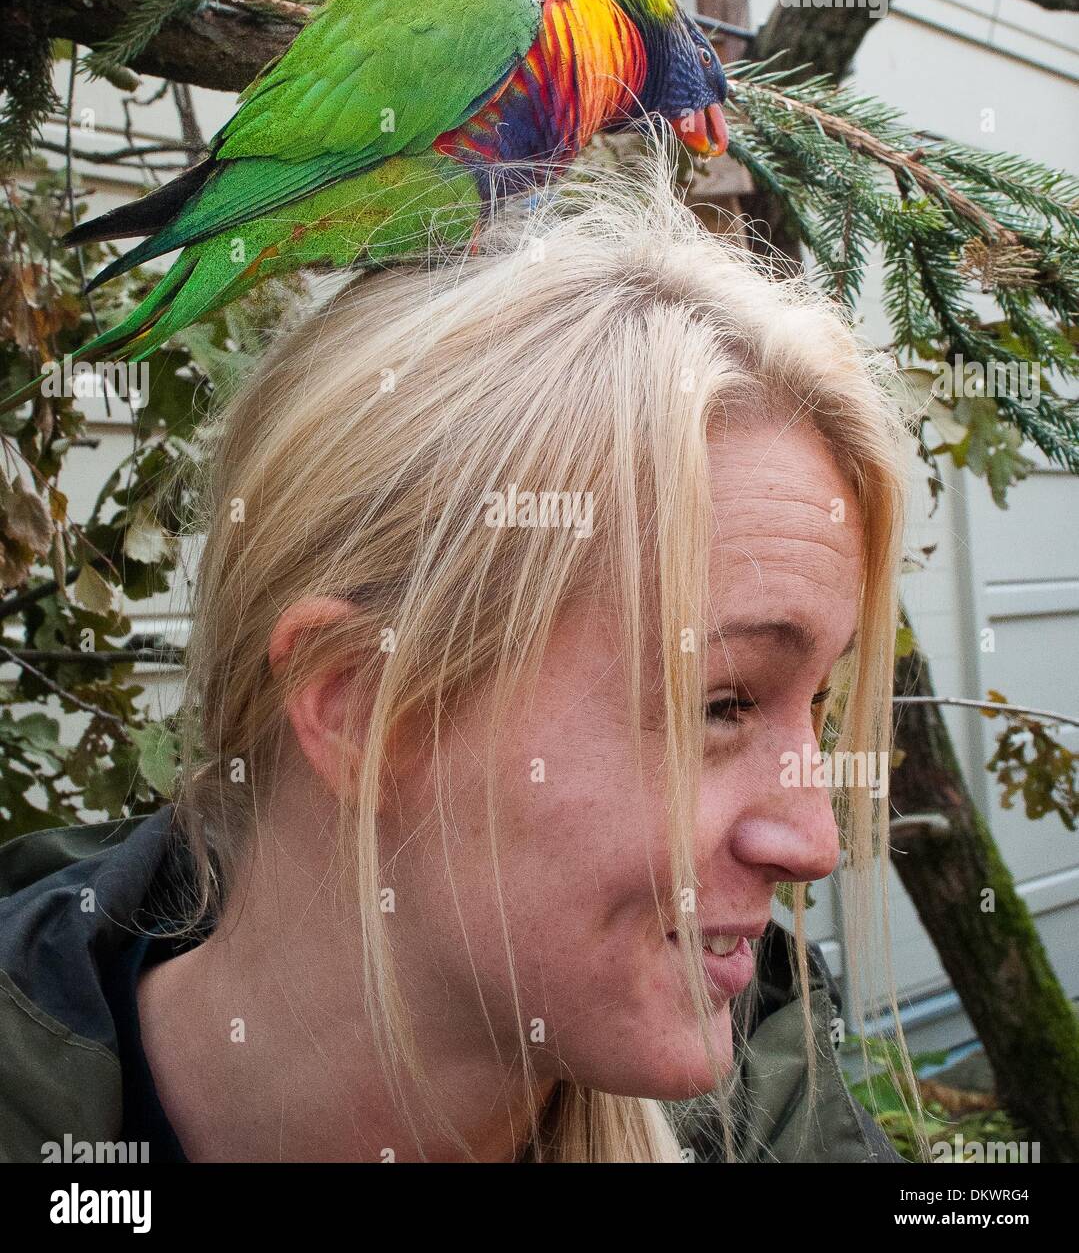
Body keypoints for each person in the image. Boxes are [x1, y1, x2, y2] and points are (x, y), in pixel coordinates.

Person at [0, 139, 914, 1162]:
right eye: (724, 702)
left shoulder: (774, 1114)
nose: (812, 843)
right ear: (361, 707)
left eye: (817, 708)